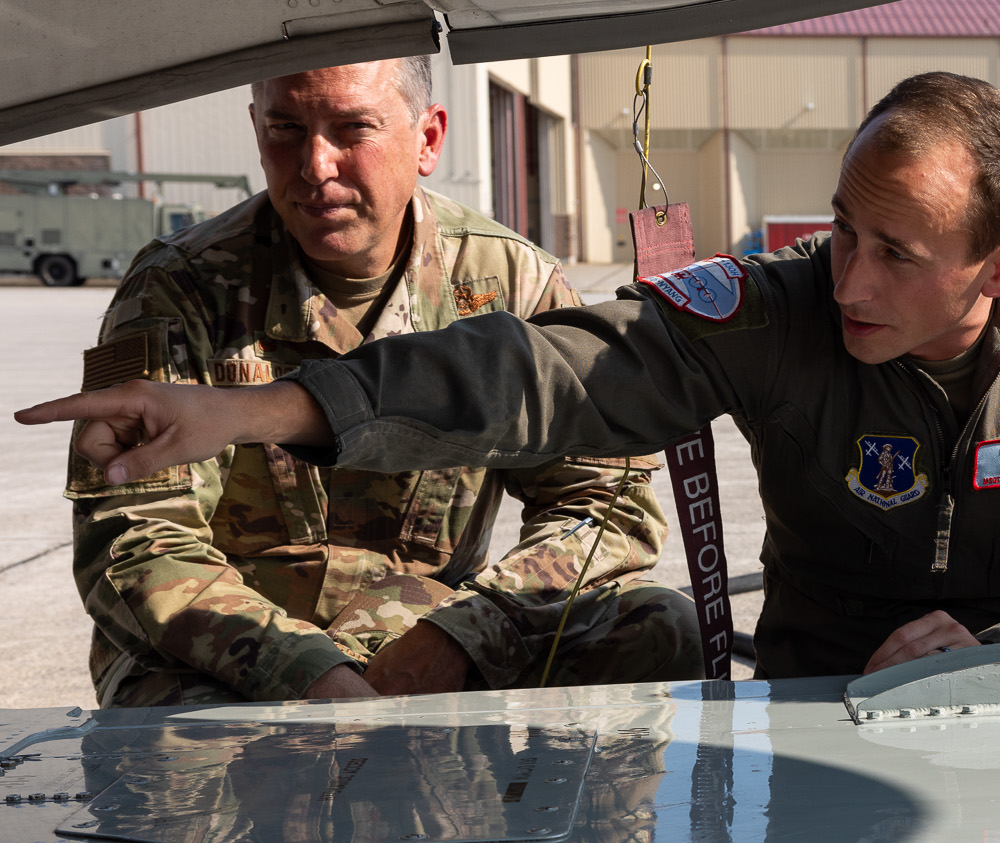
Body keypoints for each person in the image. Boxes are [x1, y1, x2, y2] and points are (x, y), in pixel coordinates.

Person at [25, 70, 1000, 692]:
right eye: (840, 229)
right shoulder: (781, 308)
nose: (848, 277)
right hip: (828, 691)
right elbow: (553, 367)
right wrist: (270, 408)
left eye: (895, 255)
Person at [65, 58, 696, 707]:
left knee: (657, 627)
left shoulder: (510, 281)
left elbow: (604, 503)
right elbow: (134, 535)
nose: (315, 166)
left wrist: (469, 633)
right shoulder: (178, 286)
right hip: (230, 653)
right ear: (256, 130)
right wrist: (302, 671)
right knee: (197, 741)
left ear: (428, 139)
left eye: (352, 129)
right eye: (285, 129)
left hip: (433, 630)